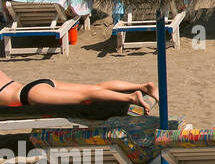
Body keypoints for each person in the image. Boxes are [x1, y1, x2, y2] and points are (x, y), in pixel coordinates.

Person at [0, 71, 157, 108]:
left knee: (85, 97)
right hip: (38, 84)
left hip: (28, 95)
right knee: (96, 87)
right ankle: (142, 87)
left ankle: (131, 98)